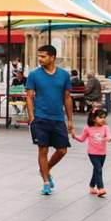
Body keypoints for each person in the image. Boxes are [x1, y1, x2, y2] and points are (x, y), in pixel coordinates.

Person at [25, 45, 74, 196]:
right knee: (43, 150)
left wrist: (70, 120)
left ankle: (44, 170)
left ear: (52, 57)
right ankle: (46, 182)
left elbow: (67, 97)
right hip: (40, 119)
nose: (40, 59)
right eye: (39, 56)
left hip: (58, 118)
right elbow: (29, 96)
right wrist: (32, 117)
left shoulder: (64, 75)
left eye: (43, 56)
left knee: (62, 150)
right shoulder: (34, 75)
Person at [73, 107, 111, 197]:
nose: (103, 119)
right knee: (98, 169)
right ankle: (101, 188)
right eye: (101, 117)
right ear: (93, 118)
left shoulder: (105, 128)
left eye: (104, 117)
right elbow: (82, 139)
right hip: (92, 153)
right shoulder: (88, 128)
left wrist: (109, 138)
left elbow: (109, 136)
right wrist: (74, 136)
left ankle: (91, 187)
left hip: (102, 153)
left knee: (96, 170)